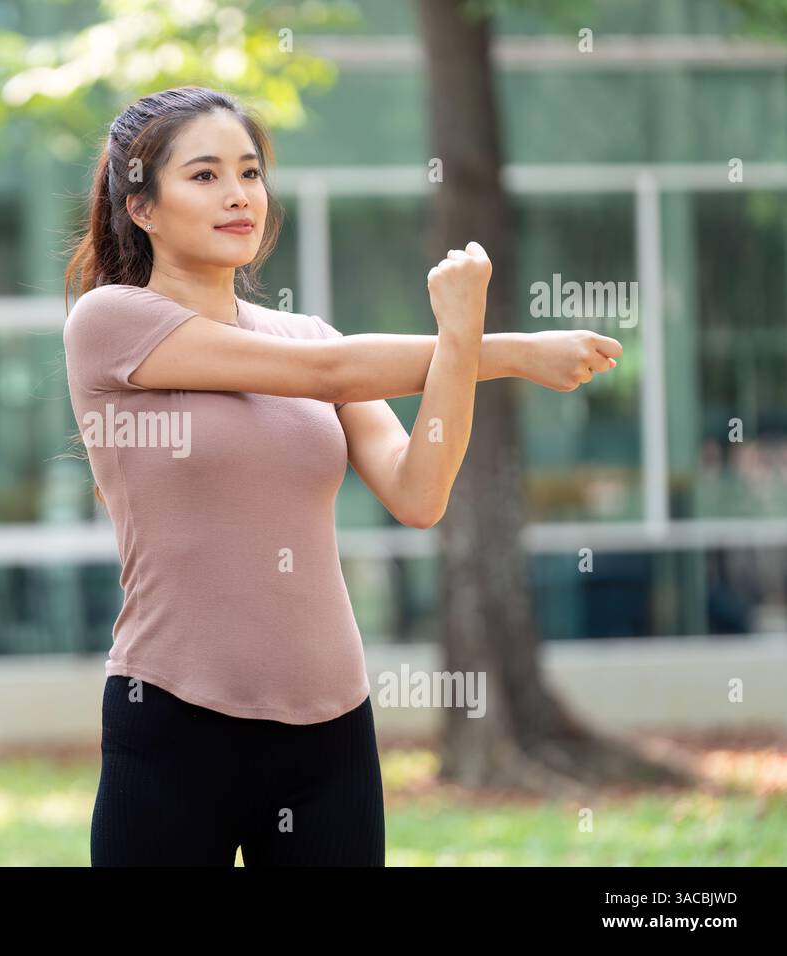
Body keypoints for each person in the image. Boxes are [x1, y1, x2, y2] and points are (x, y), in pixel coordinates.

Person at [60, 86, 623, 866]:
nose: (238, 196)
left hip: (330, 734)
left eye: (251, 173)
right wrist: (514, 351)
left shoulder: (309, 336)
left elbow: (419, 492)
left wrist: (461, 344)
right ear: (143, 206)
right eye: (204, 176)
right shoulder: (110, 323)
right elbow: (328, 370)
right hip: (173, 718)